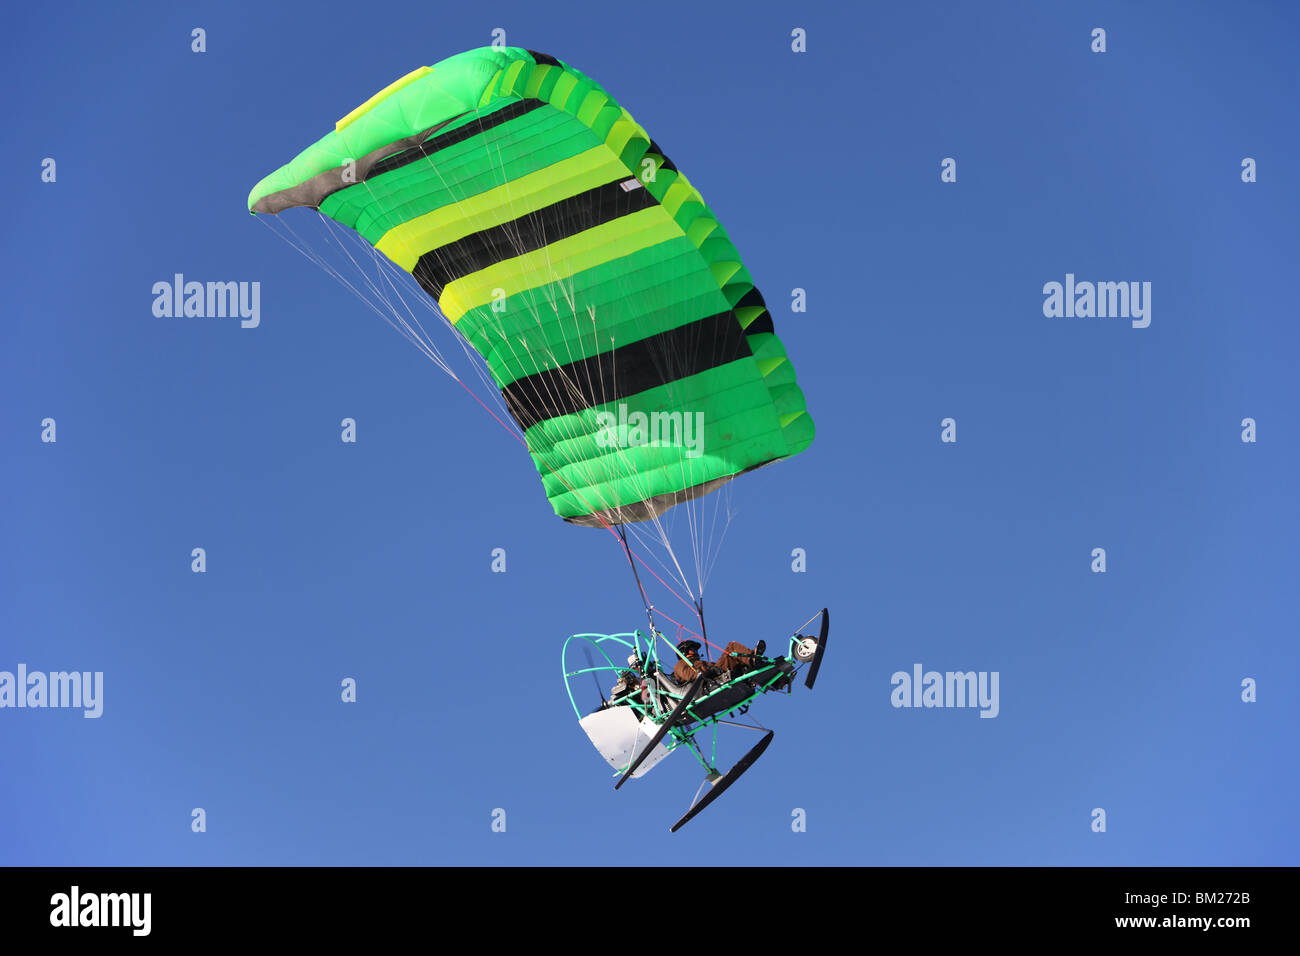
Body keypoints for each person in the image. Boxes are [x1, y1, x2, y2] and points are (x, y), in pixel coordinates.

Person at [671, 639, 765, 685]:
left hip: (717, 673)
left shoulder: (699, 662)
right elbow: (690, 675)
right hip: (711, 679)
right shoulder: (681, 664)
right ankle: (752, 659)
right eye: (693, 650)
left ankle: (774, 679)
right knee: (731, 646)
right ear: (684, 652)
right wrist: (708, 671)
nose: (696, 652)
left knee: (739, 661)